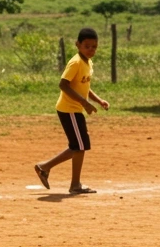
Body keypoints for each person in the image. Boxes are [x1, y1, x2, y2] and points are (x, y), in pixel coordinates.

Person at [34, 26, 109, 194]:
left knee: (79, 146)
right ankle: (61, 177)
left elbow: (84, 86)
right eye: (87, 46)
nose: (91, 50)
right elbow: (63, 84)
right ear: (78, 45)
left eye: (94, 47)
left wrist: (98, 100)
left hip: (75, 109)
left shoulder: (87, 62)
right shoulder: (75, 62)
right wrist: (84, 103)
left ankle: (50, 170)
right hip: (69, 109)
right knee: (79, 146)